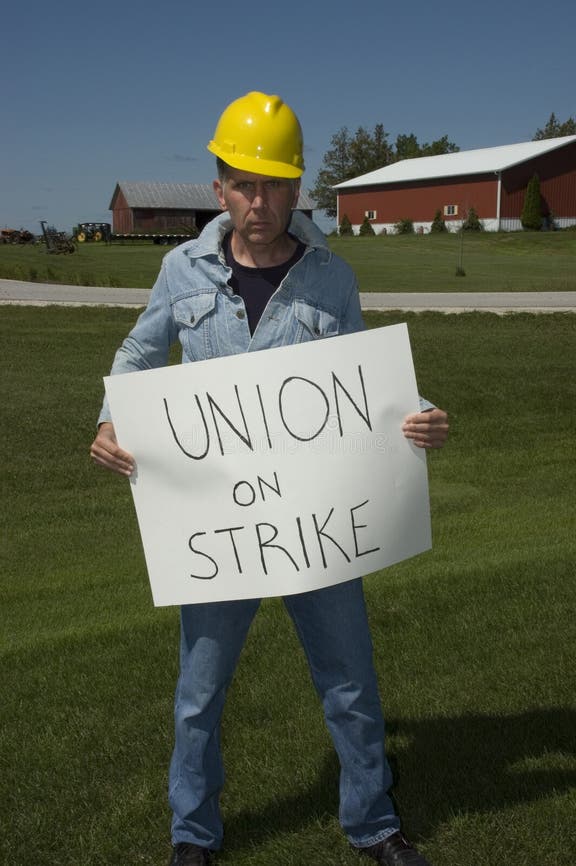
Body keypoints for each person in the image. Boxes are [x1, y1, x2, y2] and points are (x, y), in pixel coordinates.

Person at [90, 92, 449, 866]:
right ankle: (193, 833)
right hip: (219, 531)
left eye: (274, 185)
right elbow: (138, 355)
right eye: (244, 184)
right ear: (219, 188)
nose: (259, 201)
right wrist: (110, 419)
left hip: (318, 524)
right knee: (199, 693)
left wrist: (419, 414)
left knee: (349, 679)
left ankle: (373, 822)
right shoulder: (180, 271)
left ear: (296, 187)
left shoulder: (331, 277)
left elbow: (366, 381)